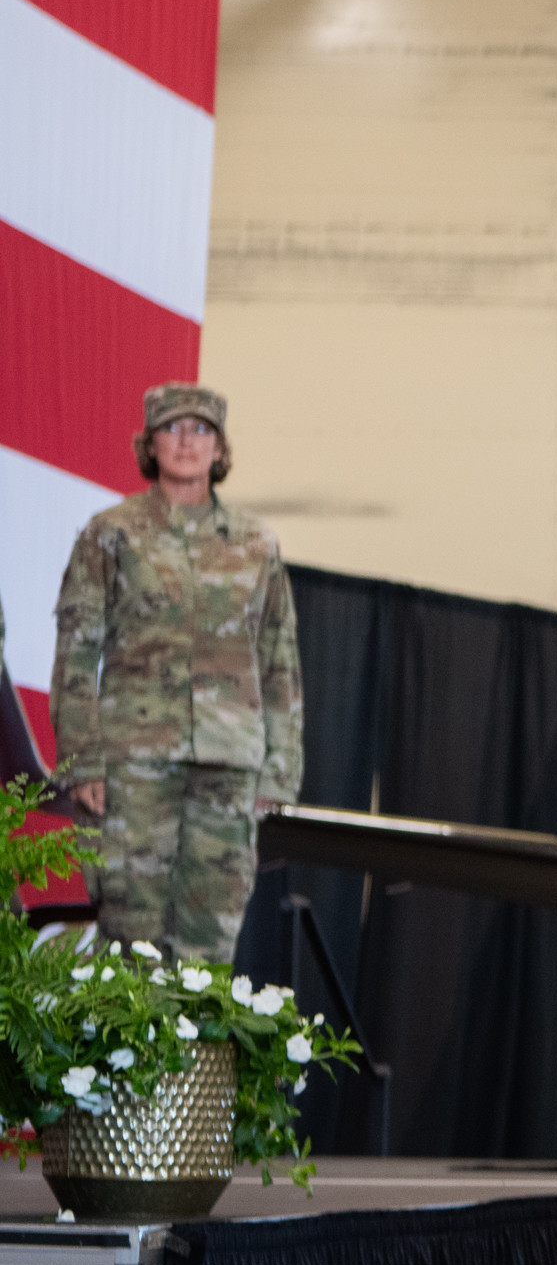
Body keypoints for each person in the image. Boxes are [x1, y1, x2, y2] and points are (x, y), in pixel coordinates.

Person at [52, 383, 303, 960]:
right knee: (129, 937)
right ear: (149, 444)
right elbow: (76, 652)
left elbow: (279, 658)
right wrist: (81, 758)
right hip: (133, 764)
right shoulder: (109, 533)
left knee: (209, 945)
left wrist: (279, 770)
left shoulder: (256, 544)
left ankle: (203, 1055)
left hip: (228, 767)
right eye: (172, 428)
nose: (186, 441)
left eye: (200, 430)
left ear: (219, 448)